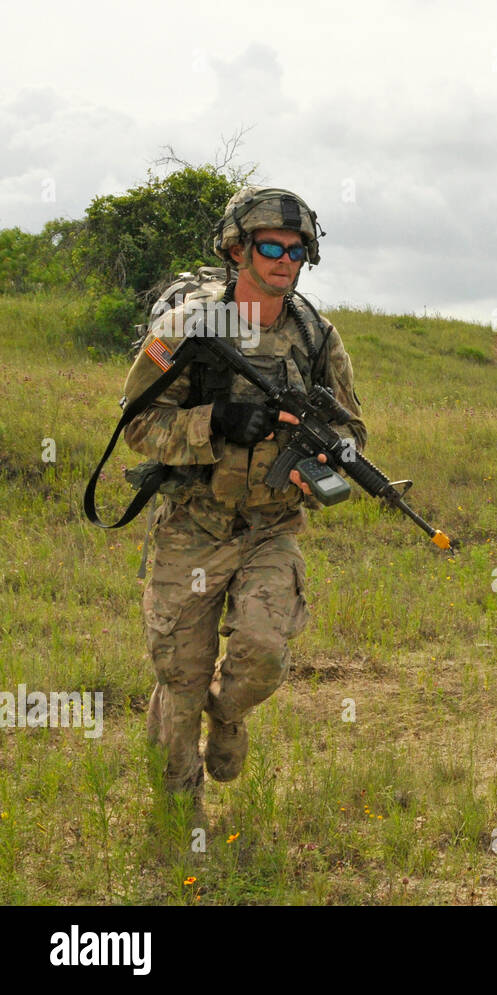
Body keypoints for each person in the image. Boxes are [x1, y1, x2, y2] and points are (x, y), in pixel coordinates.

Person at [121, 186, 366, 813]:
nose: (286, 259)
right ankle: (179, 814)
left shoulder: (316, 336)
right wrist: (215, 422)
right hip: (191, 526)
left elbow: (351, 430)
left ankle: (227, 716)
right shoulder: (186, 329)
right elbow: (137, 428)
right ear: (237, 250)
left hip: (269, 526)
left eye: (297, 249)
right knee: (180, 675)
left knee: (261, 656)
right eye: (271, 246)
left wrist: (320, 454)